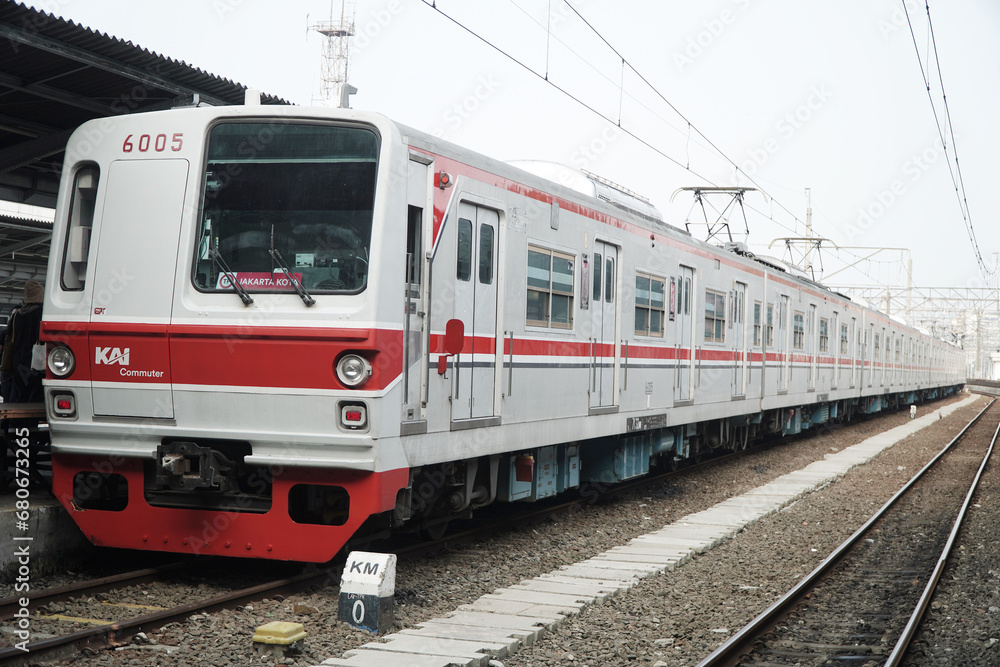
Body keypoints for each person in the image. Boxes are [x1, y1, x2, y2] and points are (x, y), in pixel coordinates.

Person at [10, 280, 43, 403]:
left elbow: (10, 336)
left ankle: (18, 422)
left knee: (21, 397)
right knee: (33, 398)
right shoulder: (38, 312)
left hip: (17, 362)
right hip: (32, 363)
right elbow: (40, 337)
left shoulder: (18, 314)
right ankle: (29, 422)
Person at [0, 305, 19, 403]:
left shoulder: (21, 334)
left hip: (17, 369)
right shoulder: (5, 333)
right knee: (7, 394)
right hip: (7, 369)